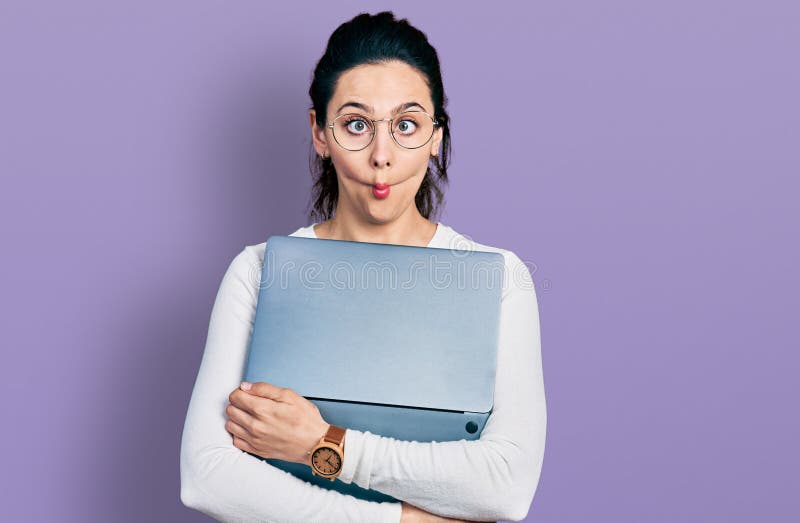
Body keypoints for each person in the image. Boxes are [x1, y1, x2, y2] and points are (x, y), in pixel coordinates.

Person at [179, 11, 546, 523]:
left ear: (436, 133)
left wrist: (322, 444)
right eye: (356, 124)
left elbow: (505, 486)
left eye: (406, 125)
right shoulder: (258, 272)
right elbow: (208, 476)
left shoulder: (501, 280)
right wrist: (398, 521)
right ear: (319, 133)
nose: (382, 155)